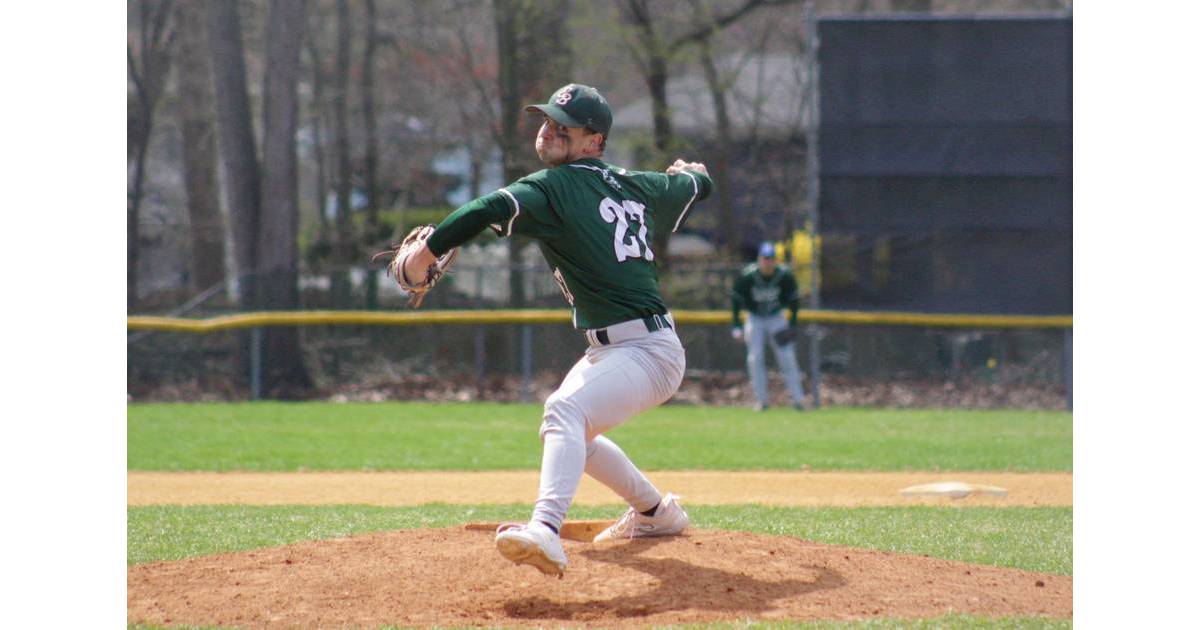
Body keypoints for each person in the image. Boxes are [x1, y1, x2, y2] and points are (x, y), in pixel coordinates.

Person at [402, 83, 713, 577]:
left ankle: (545, 529)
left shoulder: (558, 185)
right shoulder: (635, 182)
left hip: (646, 350)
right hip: (626, 348)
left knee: (564, 411)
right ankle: (657, 513)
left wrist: (427, 251)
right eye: (546, 121)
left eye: (563, 127)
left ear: (595, 141)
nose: (548, 131)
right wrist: (695, 175)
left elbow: (486, 209)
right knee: (572, 434)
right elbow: (694, 186)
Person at [730, 242, 806, 411]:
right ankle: (761, 401)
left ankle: (798, 400)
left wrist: (792, 324)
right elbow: (736, 300)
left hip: (776, 319)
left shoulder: (784, 276)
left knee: (787, 357)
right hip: (755, 318)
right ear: (759, 259)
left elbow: (794, 301)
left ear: (775, 260)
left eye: (771, 259)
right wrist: (736, 324)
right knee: (755, 358)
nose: (767, 262)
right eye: (765, 259)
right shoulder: (748, 276)